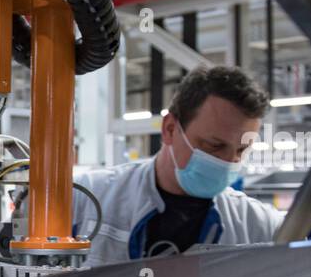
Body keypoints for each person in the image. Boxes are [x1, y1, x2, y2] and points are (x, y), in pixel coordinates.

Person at [74, 65, 284, 266]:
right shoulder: (88, 197)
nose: (229, 162)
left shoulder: (259, 226)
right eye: (214, 145)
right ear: (170, 129)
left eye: (241, 150)